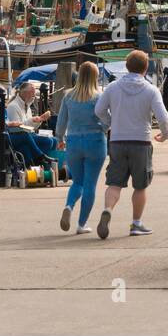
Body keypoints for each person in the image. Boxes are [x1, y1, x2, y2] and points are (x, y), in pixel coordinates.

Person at [94, 50, 168, 238]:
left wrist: (110, 123)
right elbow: (163, 117)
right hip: (141, 141)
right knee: (140, 185)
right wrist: (165, 133)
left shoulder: (113, 87)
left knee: (114, 183)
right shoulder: (151, 89)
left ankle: (108, 210)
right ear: (146, 68)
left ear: (127, 66)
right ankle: (136, 223)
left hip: (118, 140)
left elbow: (99, 110)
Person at [56, 62, 107, 235]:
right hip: (95, 141)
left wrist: (59, 138)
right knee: (90, 183)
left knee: (77, 181)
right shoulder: (98, 97)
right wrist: (106, 128)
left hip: (73, 141)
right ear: (95, 76)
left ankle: (69, 206)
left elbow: (62, 120)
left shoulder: (68, 96)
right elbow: (107, 120)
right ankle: (81, 224)